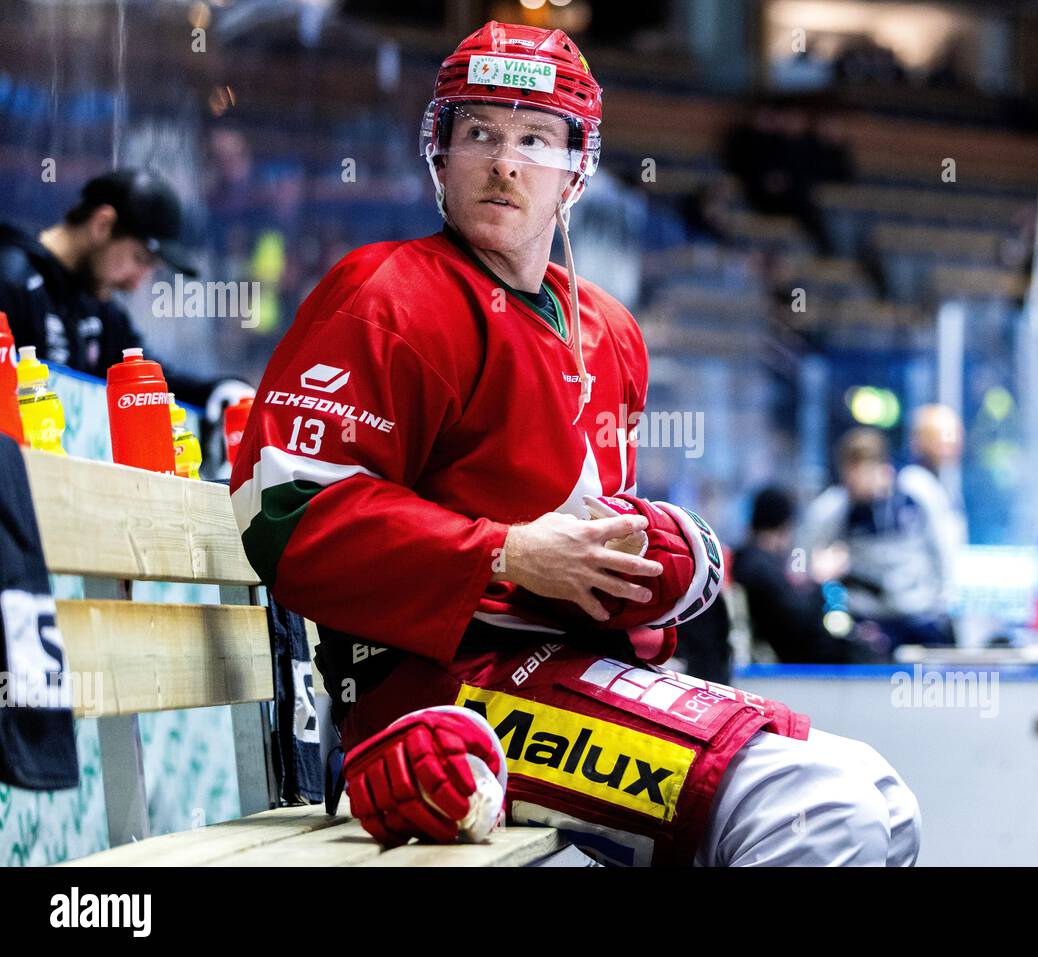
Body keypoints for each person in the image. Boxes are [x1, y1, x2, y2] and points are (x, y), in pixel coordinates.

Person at [231, 21, 918, 867]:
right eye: (478, 132)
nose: (504, 161)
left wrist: (660, 566)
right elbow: (286, 515)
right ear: (439, 152)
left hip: (565, 670)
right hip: (435, 700)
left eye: (534, 139)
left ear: (576, 169)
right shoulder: (385, 293)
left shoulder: (610, 330)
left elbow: (592, 546)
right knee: (818, 809)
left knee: (884, 796)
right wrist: (503, 553)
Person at [0, 169, 252, 468]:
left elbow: (146, 378)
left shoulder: (101, 308)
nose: (136, 283)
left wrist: (217, 391)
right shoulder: (10, 277)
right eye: (140, 259)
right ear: (102, 224)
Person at [803, 427, 955, 649]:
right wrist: (818, 570)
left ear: (883, 467)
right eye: (850, 474)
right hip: (866, 621)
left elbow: (945, 547)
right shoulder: (833, 508)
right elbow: (799, 560)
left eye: (864, 472)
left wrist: (943, 601)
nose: (857, 483)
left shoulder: (918, 491)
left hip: (921, 614)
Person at [732, 486, 882, 663]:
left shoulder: (757, 562)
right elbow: (798, 619)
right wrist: (820, 579)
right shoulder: (758, 565)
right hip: (805, 661)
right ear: (784, 525)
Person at [896, 404, 967, 618]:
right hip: (918, 609)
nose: (952, 442)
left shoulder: (945, 485)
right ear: (919, 441)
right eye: (943, 435)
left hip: (936, 606)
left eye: (955, 434)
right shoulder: (913, 484)